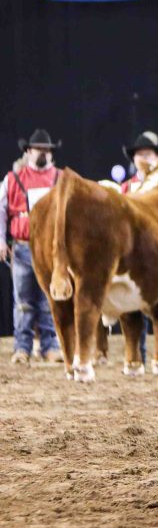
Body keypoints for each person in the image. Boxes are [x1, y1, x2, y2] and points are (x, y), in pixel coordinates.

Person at [3, 130, 63, 365]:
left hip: (51, 248)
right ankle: (22, 347)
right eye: (39, 149)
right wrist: (0, 239)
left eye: (47, 150)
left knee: (50, 300)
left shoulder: (60, 178)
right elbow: (1, 211)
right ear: (28, 152)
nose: (43, 153)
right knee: (23, 301)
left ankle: (50, 346)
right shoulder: (13, 179)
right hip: (23, 246)